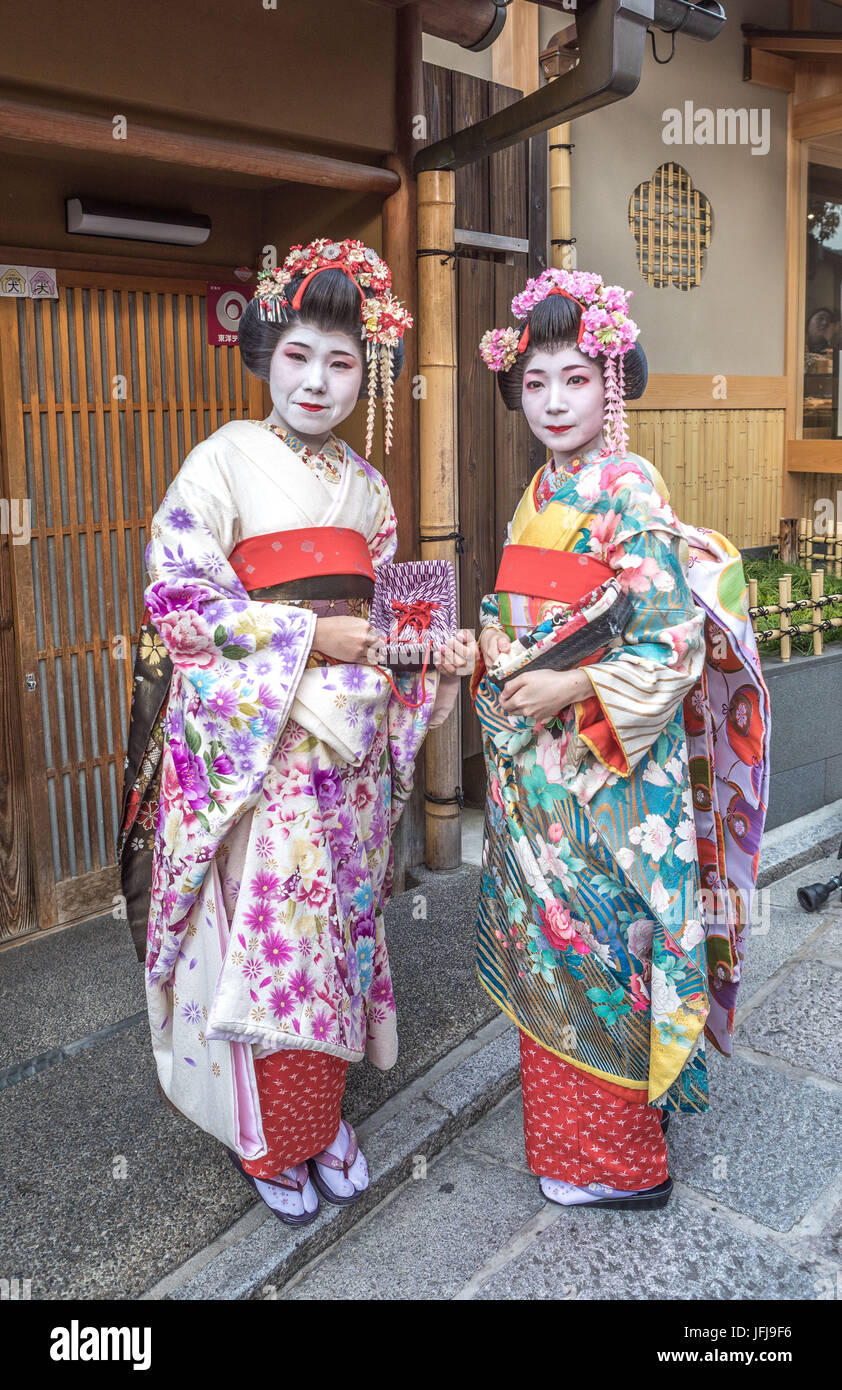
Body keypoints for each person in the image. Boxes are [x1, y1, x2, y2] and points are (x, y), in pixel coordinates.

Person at [118, 237, 474, 1225]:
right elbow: (178, 607)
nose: (318, 380)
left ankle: (322, 1121)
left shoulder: (369, 490)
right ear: (264, 355)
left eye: (342, 360)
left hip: (349, 760)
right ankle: (269, 1138)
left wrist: (427, 652)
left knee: (344, 938)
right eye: (298, 355)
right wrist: (308, 632)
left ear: (370, 372)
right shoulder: (218, 462)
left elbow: (391, 625)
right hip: (262, 754)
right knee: (274, 947)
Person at [472, 268, 770, 1209]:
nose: (554, 401)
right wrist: (488, 635)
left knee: (599, 946)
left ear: (613, 384)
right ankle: (577, 1149)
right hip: (539, 773)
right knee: (552, 946)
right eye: (535, 382)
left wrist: (567, 682)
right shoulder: (540, 490)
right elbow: (509, 601)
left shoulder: (627, 485)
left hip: (603, 776)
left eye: (575, 378)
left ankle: (616, 1164)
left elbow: (671, 639)